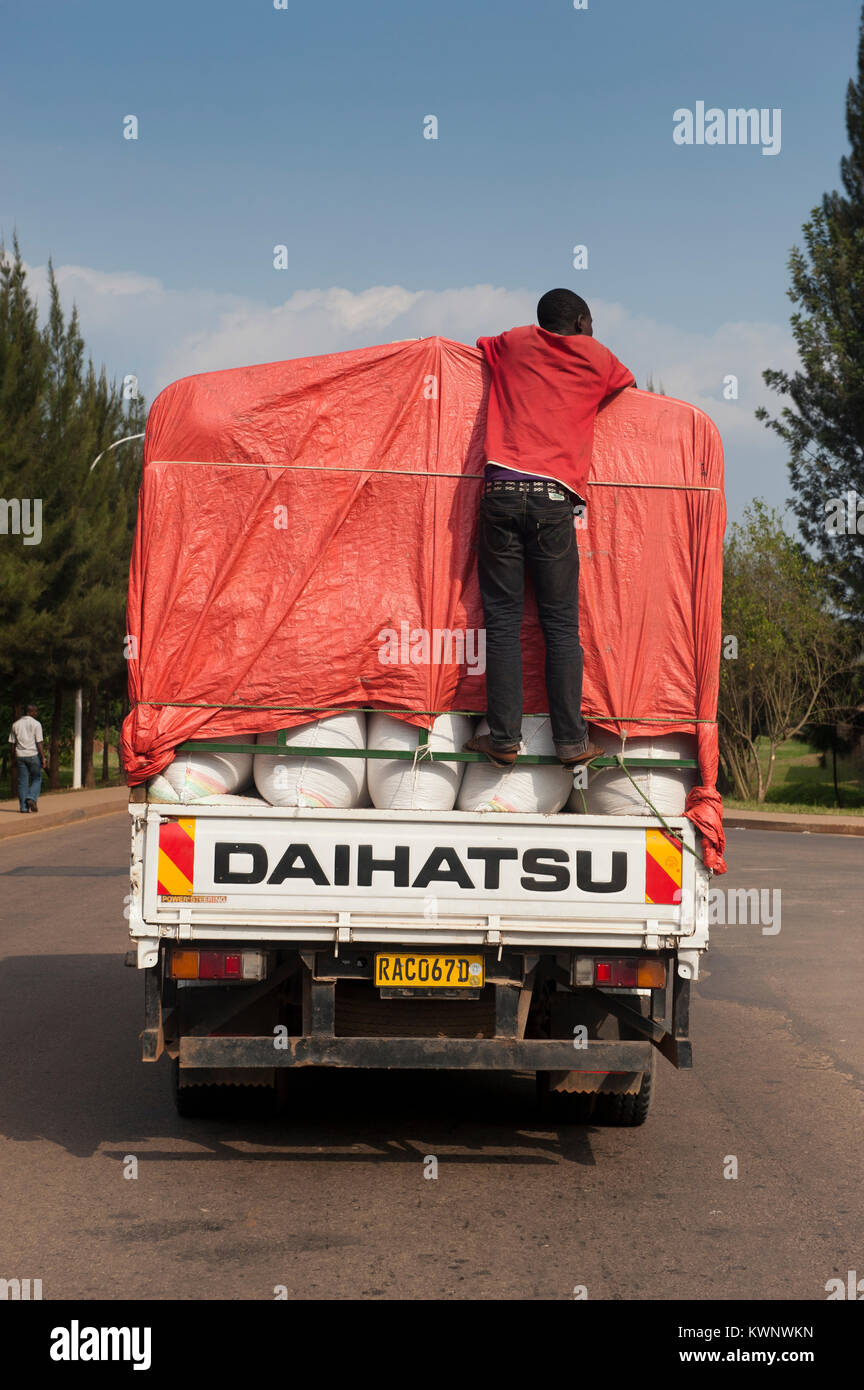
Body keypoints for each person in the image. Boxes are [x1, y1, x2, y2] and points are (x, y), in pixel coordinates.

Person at [465, 288, 635, 768]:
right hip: (553, 499)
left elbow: (479, 346)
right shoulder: (597, 358)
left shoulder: (515, 342)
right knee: (559, 625)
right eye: (591, 322)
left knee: (502, 623)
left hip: (499, 494)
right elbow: (626, 385)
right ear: (582, 321)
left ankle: (502, 738)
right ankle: (571, 744)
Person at [9, 704, 46, 813]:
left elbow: (12, 744)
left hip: (20, 756)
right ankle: (31, 797)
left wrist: (13, 759)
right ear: (31, 712)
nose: (37, 713)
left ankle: (24, 808)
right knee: (37, 778)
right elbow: (39, 742)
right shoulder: (36, 724)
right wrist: (43, 757)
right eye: (36, 712)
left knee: (22, 782)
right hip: (33, 755)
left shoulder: (15, 724)